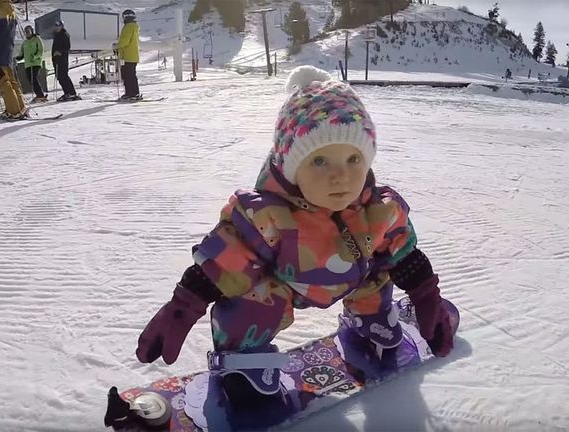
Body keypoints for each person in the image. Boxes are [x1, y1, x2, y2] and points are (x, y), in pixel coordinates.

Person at [134, 66, 454, 411]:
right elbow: (224, 262)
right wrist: (184, 305)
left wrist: (425, 294)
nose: (341, 176)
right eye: (320, 160)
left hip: (352, 276)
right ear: (291, 166)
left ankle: (369, 317)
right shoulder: (269, 217)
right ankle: (244, 355)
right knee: (251, 295)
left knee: (379, 270)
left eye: (353, 158)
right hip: (286, 284)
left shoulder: (378, 210)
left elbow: (403, 253)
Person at [16, 25, 47, 103]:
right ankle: (39, 94)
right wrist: (18, 57)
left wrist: (35, 57)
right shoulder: (25, 42)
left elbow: (41, 50)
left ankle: (40, 95)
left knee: (34, 78)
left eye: (28, 31)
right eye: (26, 32)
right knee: (30, 79)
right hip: (28, 64)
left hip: (35, 62)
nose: (27, 33)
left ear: (32, 31)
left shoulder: (36, 39)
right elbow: (22, 53)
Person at [52, 20, 79, 101]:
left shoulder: (64, 35)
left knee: (64, 76)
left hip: (63, 59)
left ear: (62, 26)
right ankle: (67, 92)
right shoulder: (56, 35)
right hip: (57, 60)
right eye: (56, 26)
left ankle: (71, 92)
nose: (57, 28)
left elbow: (67, 47)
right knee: (60, 77)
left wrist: (60, 52)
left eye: (58, 26)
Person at [116, 9, 140, 99]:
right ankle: (134, 93)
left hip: (128, 56)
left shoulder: (128, 27)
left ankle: (130, 93)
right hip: (133, 55)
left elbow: (125, 41)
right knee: (131, 75)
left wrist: (116, 46)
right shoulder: (134, 26)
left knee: (127, 75)